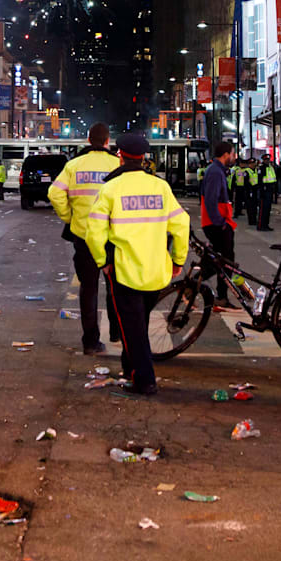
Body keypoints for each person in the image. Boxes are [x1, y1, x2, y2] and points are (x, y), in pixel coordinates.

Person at [86, 133, 189, 396]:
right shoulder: (160, 187)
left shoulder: (111, 188)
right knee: (137, 324)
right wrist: (178, 260)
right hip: (156, 270)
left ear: (120, 156)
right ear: (143, 158)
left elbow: (94, 232)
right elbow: (181, 225)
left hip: (125, 271)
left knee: (132, 329)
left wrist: (102, 262)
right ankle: (129, 368)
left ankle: (145, 380)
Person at [48, 123, 122, 355]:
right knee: (116, 286)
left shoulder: (74, 165)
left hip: (84, 236)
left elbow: (54, 193)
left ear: (89, 140)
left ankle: (90, 342)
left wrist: (69, 217)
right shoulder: (117, 165)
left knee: (88, 290)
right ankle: (116, 332)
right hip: (111, 237)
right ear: (107, 141)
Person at [200, 141, 237, 307]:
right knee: (225, 261)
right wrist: (220, 223)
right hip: (216, 224)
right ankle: (221, 297)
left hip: (218, 222)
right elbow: (211, 199)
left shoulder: (217, 170)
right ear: (225, 154)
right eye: (233, 154)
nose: (234, 157)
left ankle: (192, 286)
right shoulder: (215, 172)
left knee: (218, 260)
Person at [257, 157, 277, 231]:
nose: (267, 161)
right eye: (266, 160)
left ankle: (266, 224)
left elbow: (273, 178)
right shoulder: (262, 168)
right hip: (264, 190)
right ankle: (261, 225)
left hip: (270, 189)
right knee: (263, 209)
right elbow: (260, 180)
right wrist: (262, 190)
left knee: (268, 209)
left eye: (268, 160)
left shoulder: (270, 167)